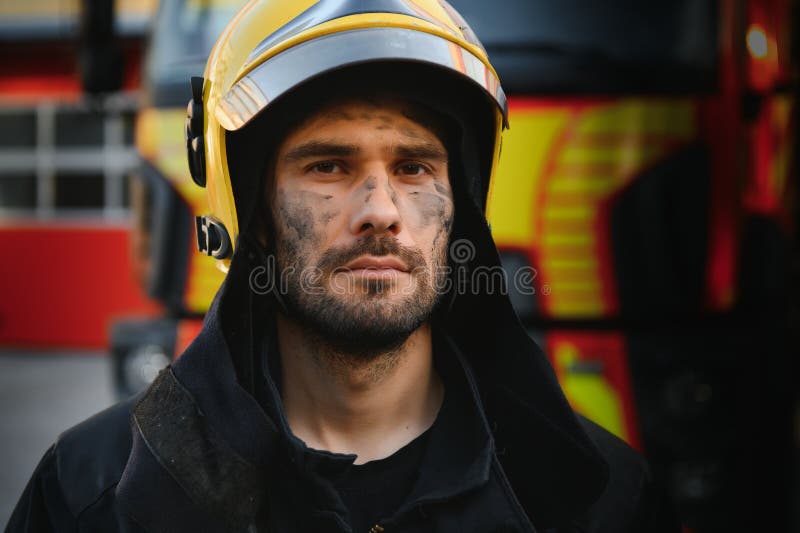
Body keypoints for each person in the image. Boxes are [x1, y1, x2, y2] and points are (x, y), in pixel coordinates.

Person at [7, 1, 678, 531]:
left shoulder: (598, 502)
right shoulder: (94, 493)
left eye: (414, 167)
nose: (381, 209)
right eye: (329, 165)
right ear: (256, 214)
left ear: (459, 211)